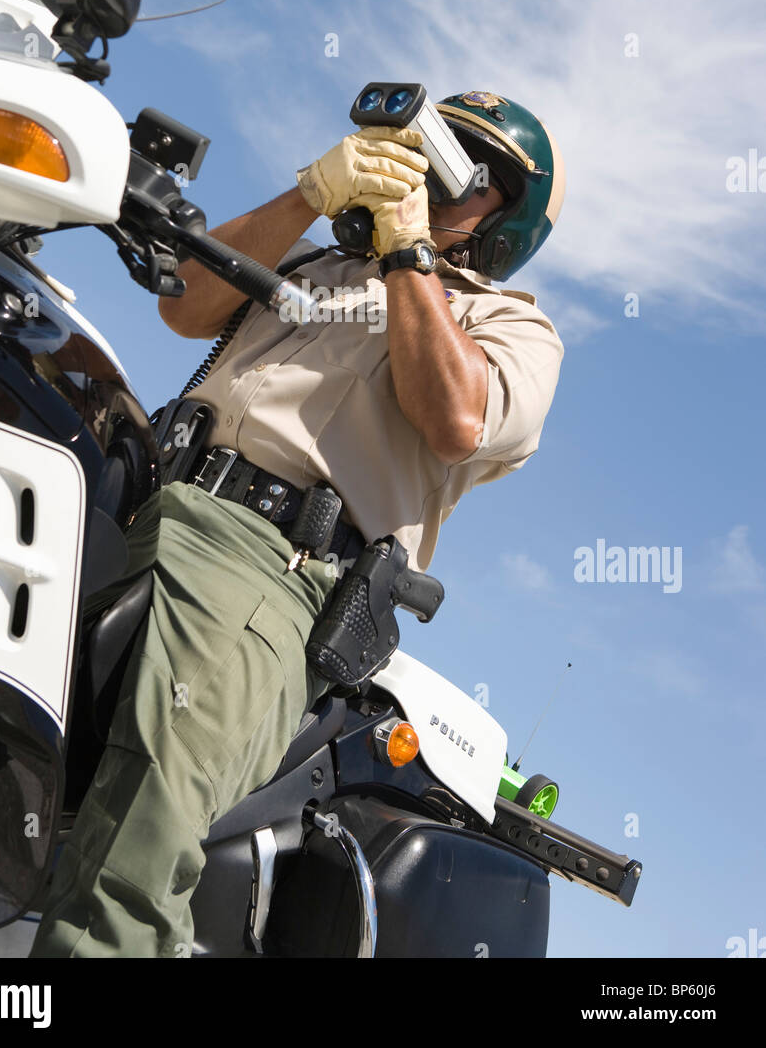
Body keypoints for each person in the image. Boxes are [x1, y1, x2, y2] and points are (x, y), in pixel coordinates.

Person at [30, 88, 566, 957]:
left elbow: (456, 419)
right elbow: (187, 305)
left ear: (505, 225)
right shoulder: (316, 269)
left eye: (468, 175)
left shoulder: (505, 323)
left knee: (143, 825)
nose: (431, 176)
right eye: (429, 152)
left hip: (268, 571)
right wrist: (308, 196)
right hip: (146, 499)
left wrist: (409, 255)